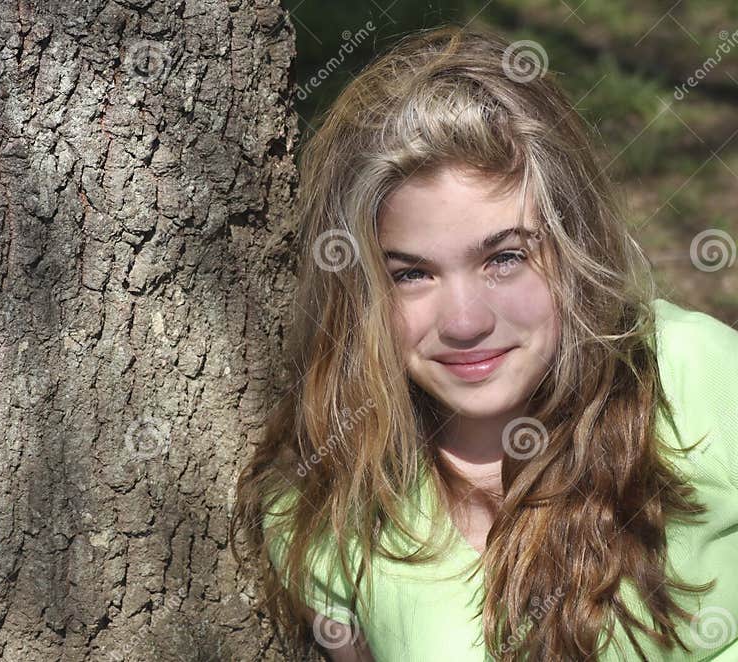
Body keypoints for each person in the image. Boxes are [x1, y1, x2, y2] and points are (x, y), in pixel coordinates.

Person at [229, 25, 738, 662]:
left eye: (504, 258)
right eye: (411, 273)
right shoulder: (329, 499)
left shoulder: (700, 378)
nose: (465, 322)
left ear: (572, 248)